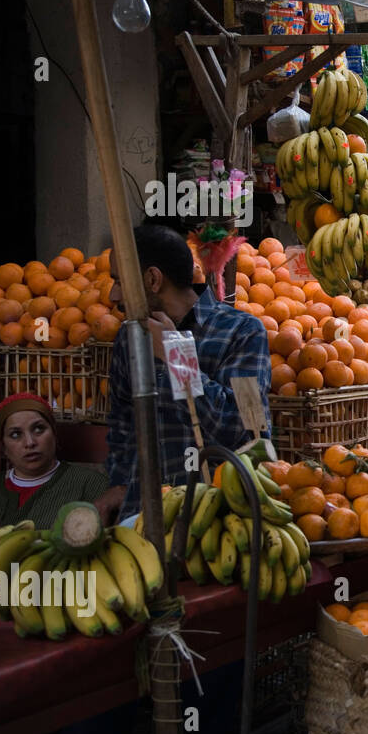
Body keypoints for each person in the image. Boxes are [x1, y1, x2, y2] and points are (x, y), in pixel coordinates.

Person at [95, 224, 273, 524]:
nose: (113, 294)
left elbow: (247, 429)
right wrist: (119, 481)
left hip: (217, 521)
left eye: (119, 281)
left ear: (152, 279)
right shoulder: (129, 338)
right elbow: (123, 424)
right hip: (141, 517)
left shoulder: (242, 332)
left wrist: (176, 356)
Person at [0, 394, 107, 528]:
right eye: (16, 434)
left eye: (38, 429)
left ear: (54, 433)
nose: (30, 443)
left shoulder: (91, 485)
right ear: (4, 447)